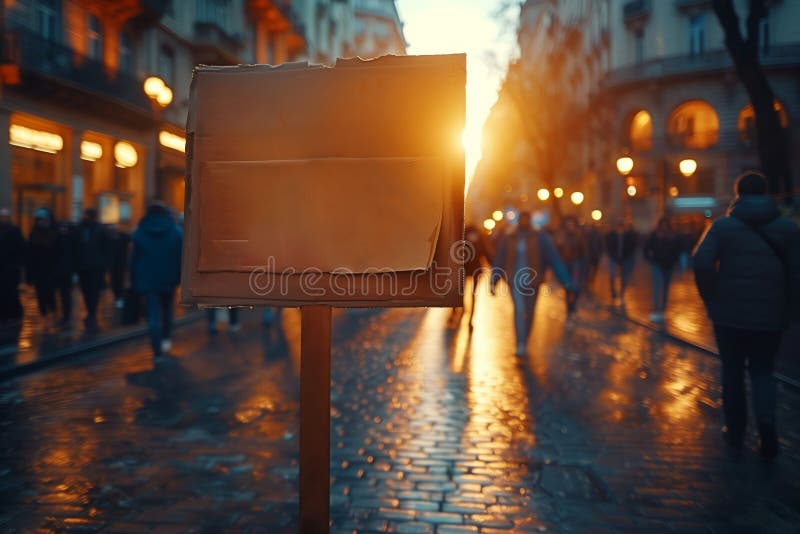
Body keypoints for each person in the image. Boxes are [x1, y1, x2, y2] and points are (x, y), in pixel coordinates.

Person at [693, 172, 800, 461]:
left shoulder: (723, 227)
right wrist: (791, 308)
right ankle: (768, 433)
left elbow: (701, 261)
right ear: (766, 193)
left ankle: (736, 431)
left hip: (729, 315)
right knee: (764, 372)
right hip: (770, 315)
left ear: (737, 193)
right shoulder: (788, 229)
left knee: (732, 371)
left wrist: (712, 296)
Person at [491, 211, 572, 356]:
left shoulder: (540, 237)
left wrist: (565, 281)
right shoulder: (509, 237)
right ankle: (520, 344)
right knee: (518, 310)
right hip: (514, 280)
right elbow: (500, 258)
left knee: (530, 312)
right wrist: (494, 280)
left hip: (533, 281)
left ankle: (524, 339)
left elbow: (554, 258)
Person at [131, 202, 183, 358]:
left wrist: (133, 280)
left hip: (148, 280)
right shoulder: (175, 231)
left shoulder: (140, 231)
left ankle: (156, 350)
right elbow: (182, 257)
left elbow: (133, 259)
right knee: (167, 311)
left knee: (153, 316)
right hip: (169, 279)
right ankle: (166, 338)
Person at [75, 208, 110, 332]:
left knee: (94, 291)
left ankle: (92, 313)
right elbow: (76, 246)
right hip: (83, 265)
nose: (88, 217)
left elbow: (106, 247)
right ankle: (90, 312)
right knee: (85, 290)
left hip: (96, 266)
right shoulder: (80, 228)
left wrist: (104, 263)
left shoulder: (100, 230)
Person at [25, 209, 60, 329]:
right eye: (39, 220)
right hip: (38, 270)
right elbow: (29, 254)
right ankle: (44, 316)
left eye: (43, 220)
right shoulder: (34, 233)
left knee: (50, 294)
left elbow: (59, 253)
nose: (41, 222)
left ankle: (53, 314)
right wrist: (29, 275)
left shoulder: (54, 233)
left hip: (51, 270)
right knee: (40, 295)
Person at [643, 217, 680, 322]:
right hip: (657, 264)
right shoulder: (655, 235)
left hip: (669, 265)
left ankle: (662, 310)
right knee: (657, 287)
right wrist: (651, 259)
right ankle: (656, 310)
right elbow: (646, 248)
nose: (664, 227)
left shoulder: (673, 236)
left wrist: (674, 260)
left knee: (665, 288)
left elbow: (677, 249)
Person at [554, 216, 587, 316]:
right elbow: (557, 249)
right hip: (565, 263)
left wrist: (584, 263)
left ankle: (573, 304)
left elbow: (583, 250)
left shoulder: (579, 235)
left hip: (576, 263)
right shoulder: (561, 236)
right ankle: (569, 305)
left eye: (572, 224)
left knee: (577, 286)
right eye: (568, 225)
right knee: (567, 286)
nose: (570, 226)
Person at [0, 208, 25, 325]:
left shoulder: (15, 230)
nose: (3, 219)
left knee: (11, 291)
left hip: (11, 267)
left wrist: (19, 263)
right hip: (3, 266)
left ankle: (15, 314)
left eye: (5, 216)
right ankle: (4, 314)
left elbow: (21, 247)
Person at [605, 218, 638, 304]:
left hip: (624, 258)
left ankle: (621, 292)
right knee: (612, 275)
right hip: (613, 258)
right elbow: (608, 246)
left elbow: (632, 246)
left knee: (624, 277)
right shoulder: (611, 235)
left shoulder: (627, 236)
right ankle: (613, 290)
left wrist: (626, 256)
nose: (620, 228)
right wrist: (612, 255)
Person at [109, 225, 131, 309]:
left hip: (121, 263)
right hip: (113, 263)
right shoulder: (110, 238)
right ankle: (117, 297)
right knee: (114, 281)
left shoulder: (122, 236)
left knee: (120, 281)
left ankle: (120, 297)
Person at [584, 223, 603, 290]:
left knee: (593, 268)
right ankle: (588, 280)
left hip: (594, 255)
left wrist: (600, 253)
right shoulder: (588, 235)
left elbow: (601, 245)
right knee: (589, 268)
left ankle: (590, 280)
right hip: (591, 255)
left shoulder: (598, 235)